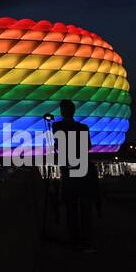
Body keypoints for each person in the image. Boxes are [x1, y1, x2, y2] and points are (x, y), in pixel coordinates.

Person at [52, 100, 97, 251]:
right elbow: (89, 146)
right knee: (85, 208)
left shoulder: (57, 126)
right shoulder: (83, 127)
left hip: (69, 170)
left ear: (62, 112)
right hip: (84, 169)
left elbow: (57, 145)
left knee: (71, 207)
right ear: (74, 111)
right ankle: (87, 240)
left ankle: (73, 239)